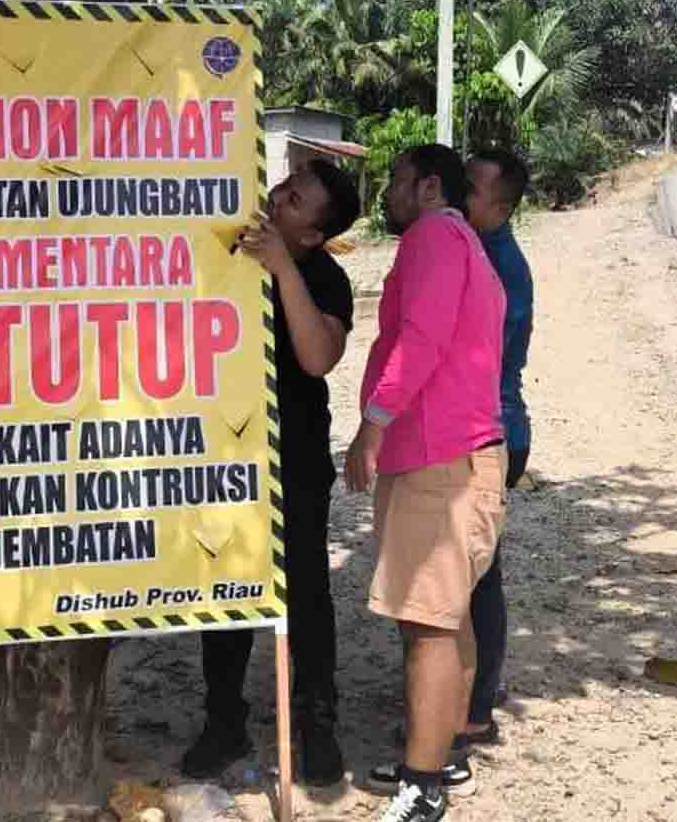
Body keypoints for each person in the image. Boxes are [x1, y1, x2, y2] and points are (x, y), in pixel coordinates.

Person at [182, 158, 361, 787]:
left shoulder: (327, 278)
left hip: (296, 459)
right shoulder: (223, 252)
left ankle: (316, 723)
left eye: (292, 199)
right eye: (282, 189)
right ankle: (223, 721)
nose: (275, 199)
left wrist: (282, 269)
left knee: (306, 596)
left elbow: (318, 357)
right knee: (222, 591)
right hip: (221, 457)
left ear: (312, 234)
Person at [344, 144, 506, 822]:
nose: (387, 192)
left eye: (396, 181)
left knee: (427, 624)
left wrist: (372, 428)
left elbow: (421, 337)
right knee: (449, 617)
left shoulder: (434, 235)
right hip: (456, 453)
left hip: (440, 458)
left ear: (429, 186)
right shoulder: (464, 242)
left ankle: (422, 786)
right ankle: (443, 755)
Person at [459, 150, 534, 748]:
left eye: (474, 188)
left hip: (492, 426)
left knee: (478, 574)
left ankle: (477, 709)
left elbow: (480, 360)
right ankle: (475, 687)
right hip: (493, 423)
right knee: (476, 570)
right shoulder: (478, 246)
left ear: (502, 208)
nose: (462, 193)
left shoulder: (498, 264)